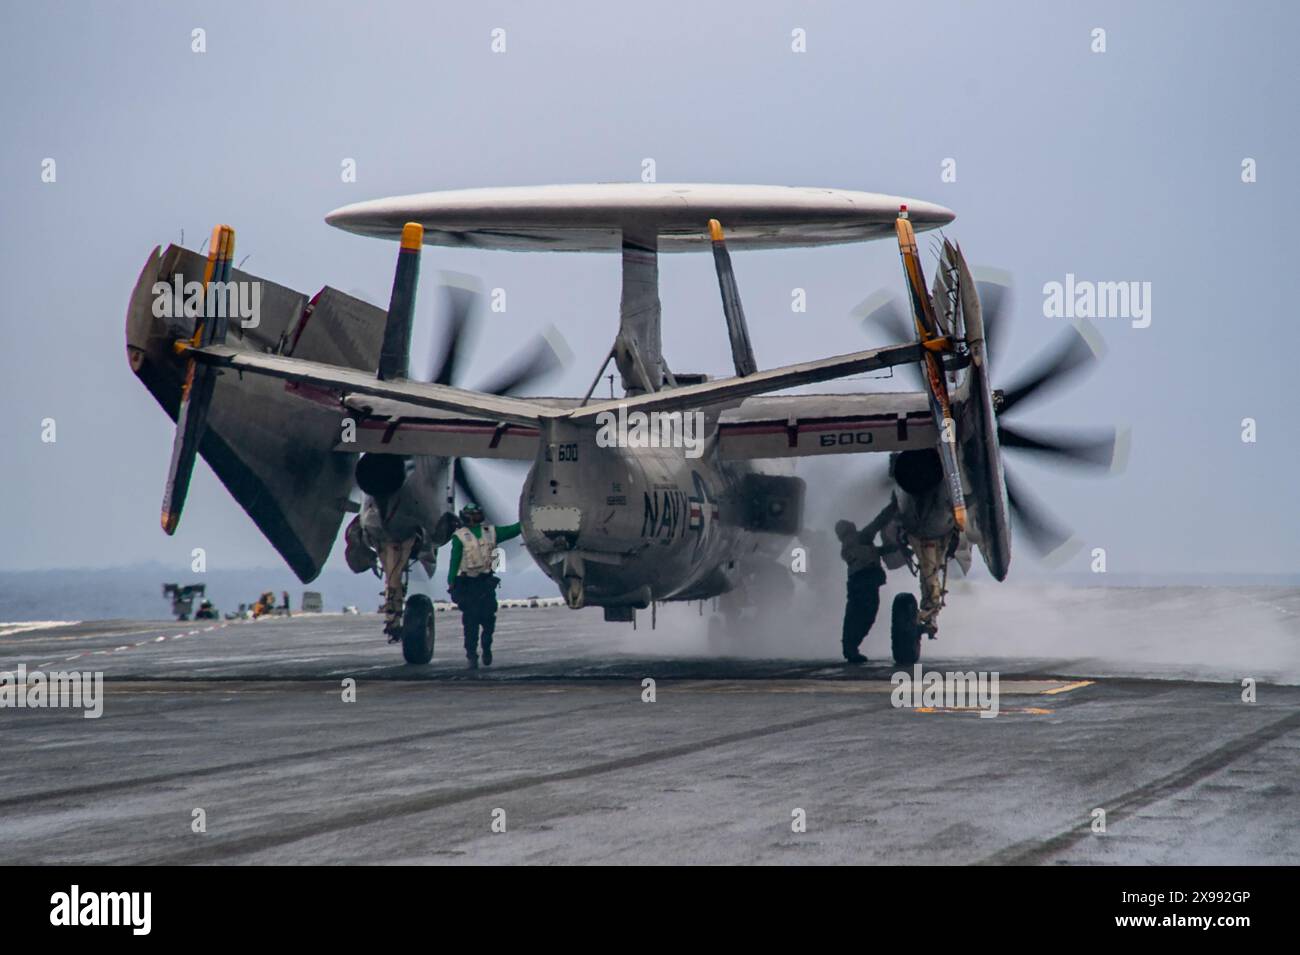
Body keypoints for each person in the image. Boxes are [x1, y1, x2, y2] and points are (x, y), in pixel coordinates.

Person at [447, 503, 521, 669]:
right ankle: (472, 655)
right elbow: (455, 559)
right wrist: (452, 583)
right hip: (468, 585)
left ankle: (486, 648)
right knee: (471, 624)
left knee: (488, 621)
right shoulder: (460, 536)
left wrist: (527, 520)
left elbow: (513, 530)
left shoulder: (491, 533)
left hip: (485, 584)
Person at [834, 511, 897, 664]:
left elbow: (871, 552)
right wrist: (894, 507)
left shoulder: (847, 546)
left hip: (856, 582)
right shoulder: (861, 537)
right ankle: (851, 648)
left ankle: (850, 648)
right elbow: (879, 522)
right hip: (867, 581)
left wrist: (888, 549)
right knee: (868, 615)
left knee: (853, 616)